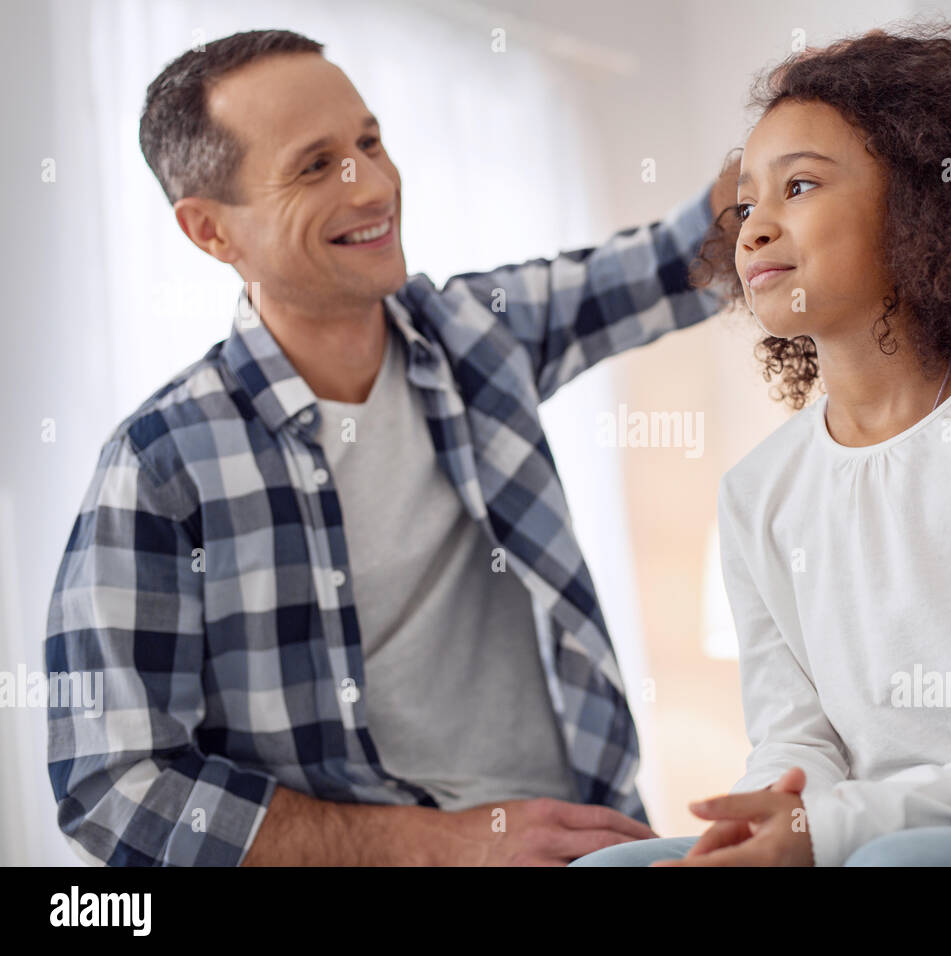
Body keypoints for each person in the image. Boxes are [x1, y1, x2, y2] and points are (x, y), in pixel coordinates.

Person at [44, 28, 736, 866]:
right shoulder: (161, 466)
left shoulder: (477, 336)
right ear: (211, 233)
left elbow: (684, 259)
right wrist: (435, 845)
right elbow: (113, 786)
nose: (372, 185)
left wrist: (805, 131)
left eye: (369, 142)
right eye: (313, 165)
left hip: (587, 844)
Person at [572, 22, 951, 867]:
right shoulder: (758, 491)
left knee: (892, 866)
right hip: (869, 843)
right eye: (748, 202)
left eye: (800, 186)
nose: (753, 228)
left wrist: (835, 833)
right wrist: (776, 824)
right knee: (611, 869)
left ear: (918, 210)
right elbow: (796, 743)